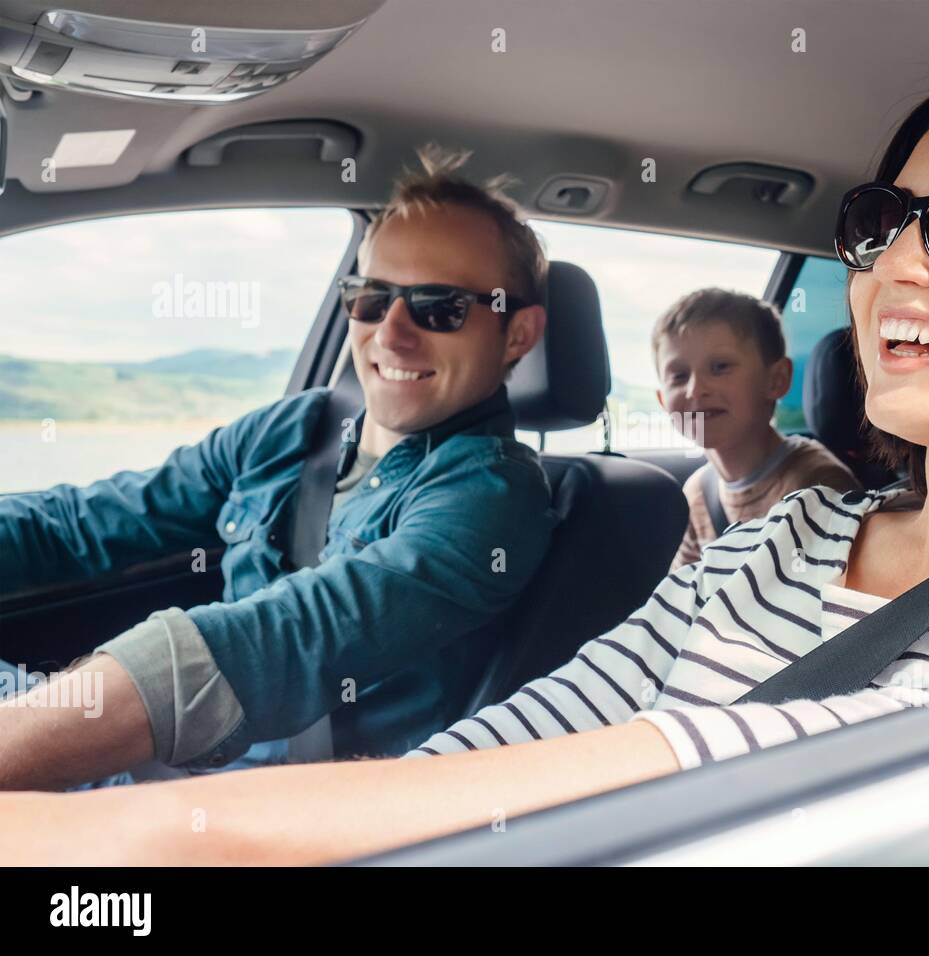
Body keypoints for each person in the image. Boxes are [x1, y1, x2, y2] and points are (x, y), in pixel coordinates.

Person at [0, 62, 929, 865]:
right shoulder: (775, 543)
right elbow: (546, 728)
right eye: (881, 221)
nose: (891, 261)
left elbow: (828, 757)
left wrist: (165, 835)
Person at [0, 146, 556, 790]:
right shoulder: (297, 429)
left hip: (258, 812)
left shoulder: (492, 495)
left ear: (517, 335)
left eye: (440, 308)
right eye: (372, 299)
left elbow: (287, 639)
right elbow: (82, 523)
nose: (392, 334)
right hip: (172, 766)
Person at [652, 288, 860, 569]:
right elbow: (681, 596)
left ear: (776, 380)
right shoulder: (698, 491)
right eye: (678, 376)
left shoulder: (818, 485)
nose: (695, 389)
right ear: (662, 400)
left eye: (720, 367)